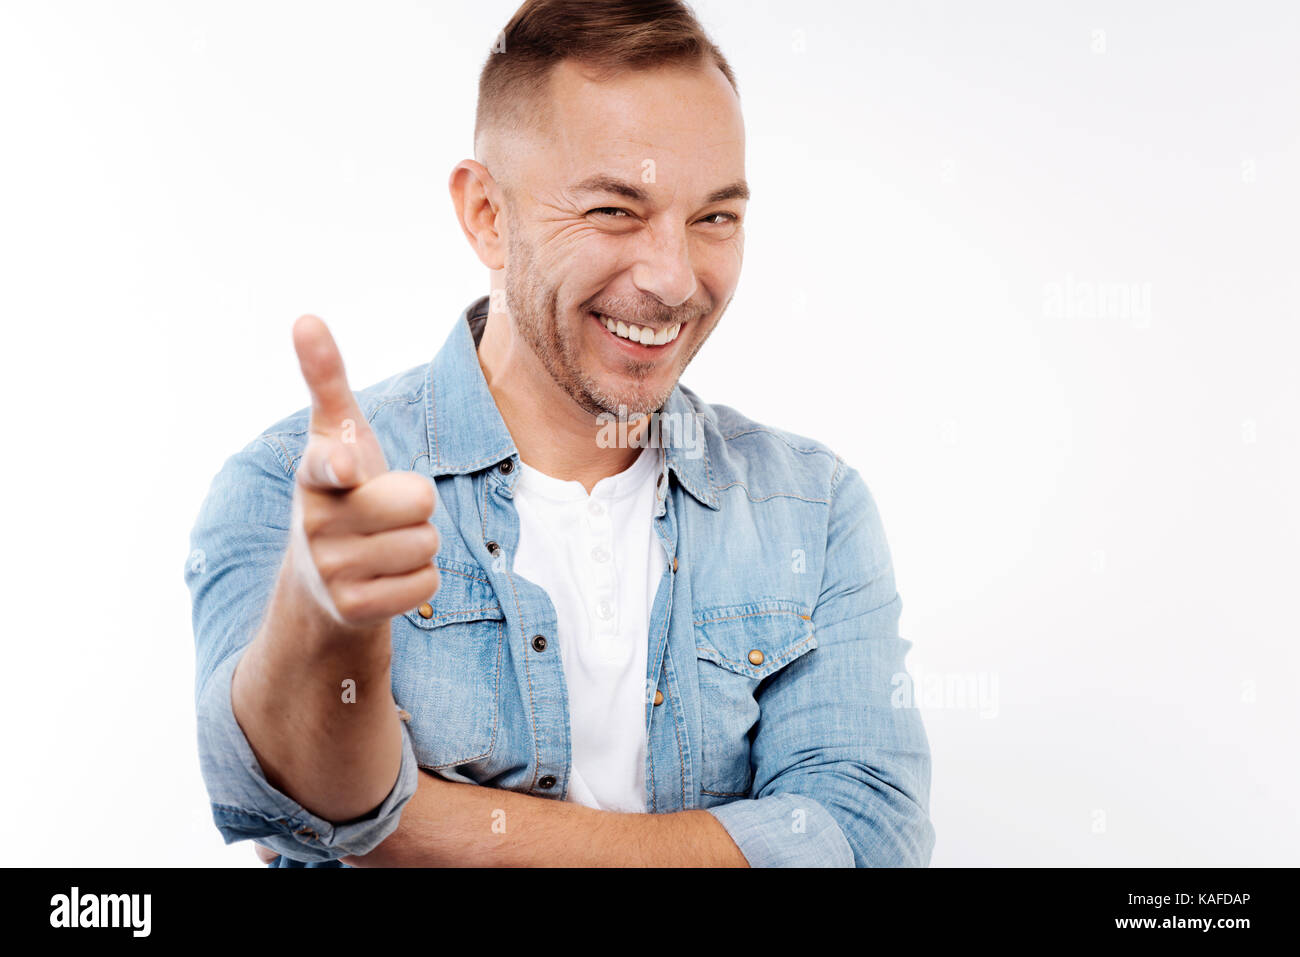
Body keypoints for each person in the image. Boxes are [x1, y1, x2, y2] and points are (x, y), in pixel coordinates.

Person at [185, 0, 935, 867]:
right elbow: (269, 789)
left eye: (715, 217)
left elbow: (865, 839)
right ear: (486, 215)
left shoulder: (814, 507)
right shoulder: (291, 487)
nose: (674, 277)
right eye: (616, 210)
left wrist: (407, 828)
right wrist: (322, 622)